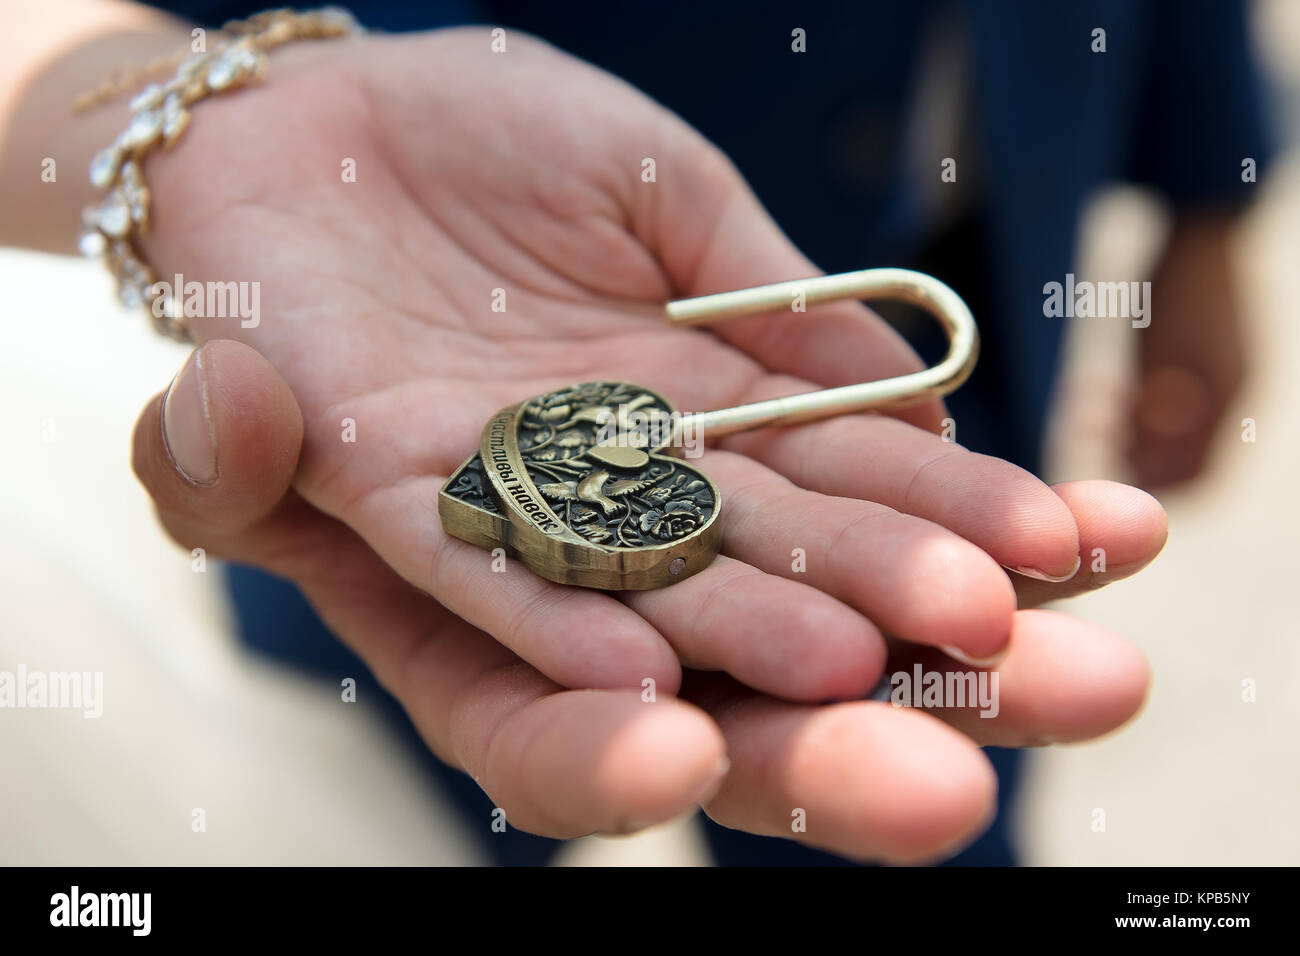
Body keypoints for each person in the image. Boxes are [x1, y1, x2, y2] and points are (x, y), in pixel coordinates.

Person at [1, 0, 1264, 865]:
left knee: (905, 769)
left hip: (953, 298)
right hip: (474, 285)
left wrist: (1207, 194)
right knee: (415, 801)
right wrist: (244, 126)